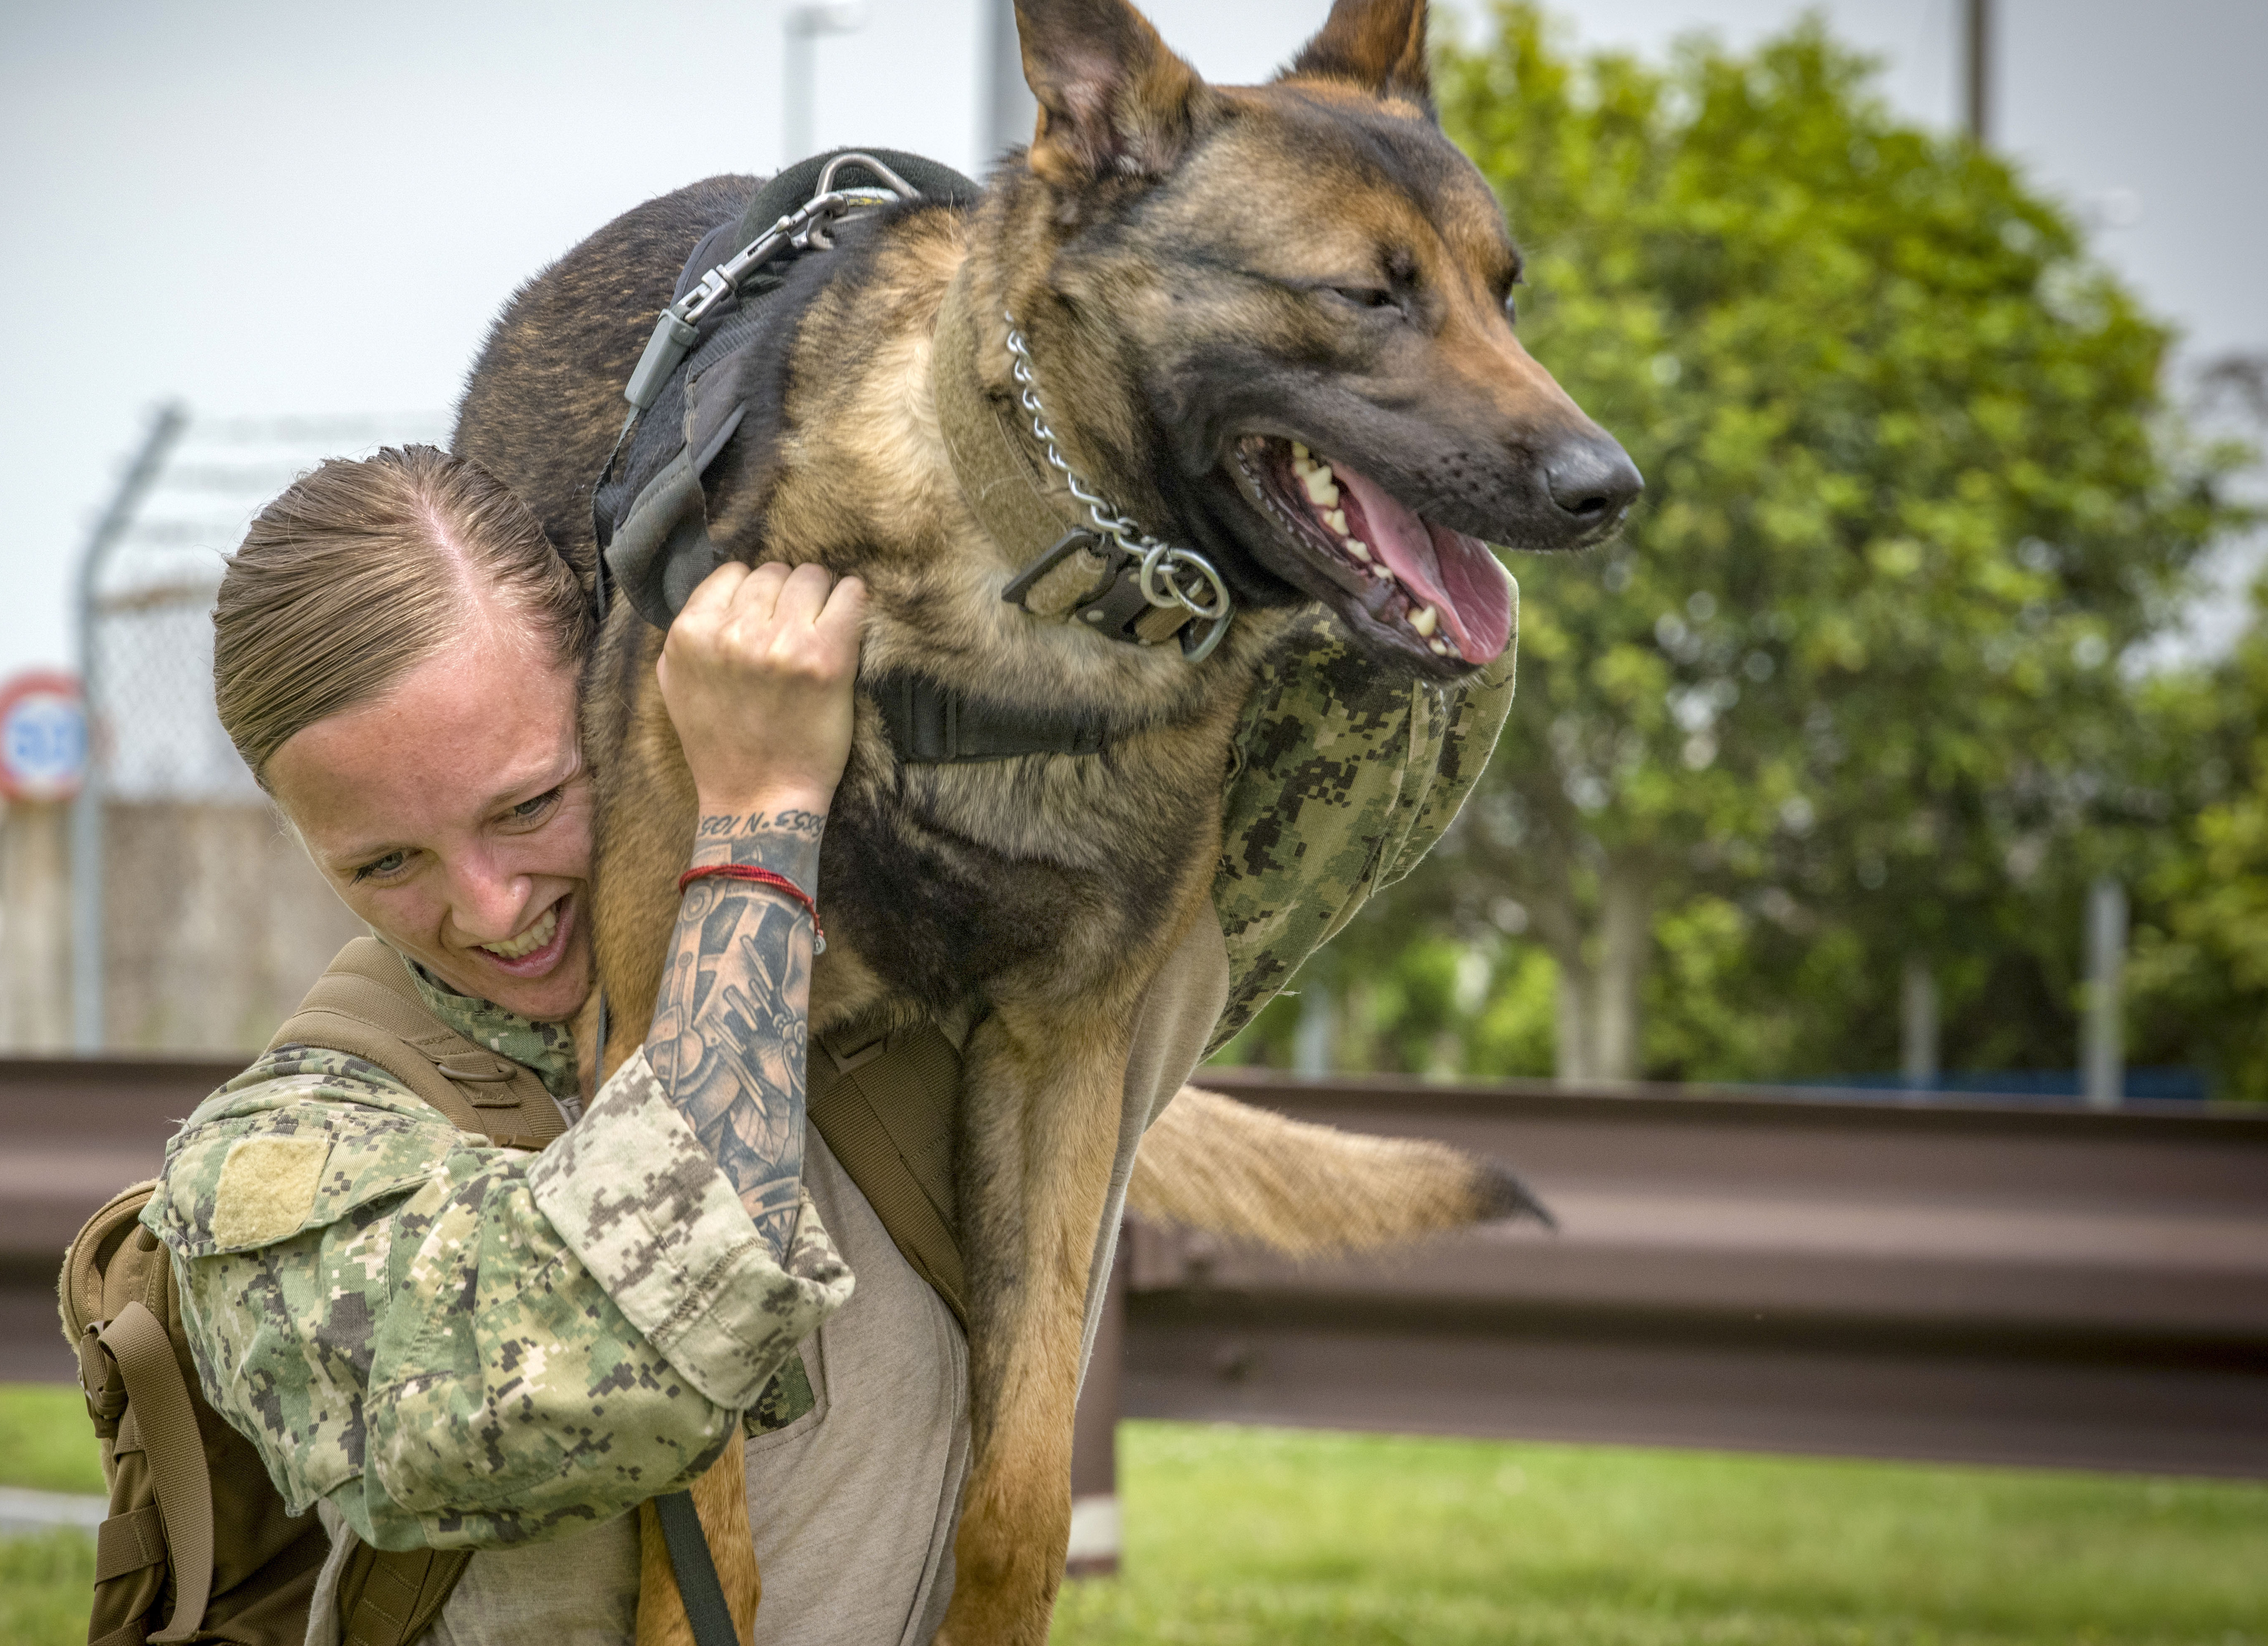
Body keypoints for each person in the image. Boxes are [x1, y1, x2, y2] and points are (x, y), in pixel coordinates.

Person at [147, 445, 1514, 1646]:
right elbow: (618, 1363)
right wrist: (752, 823)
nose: (491, 908)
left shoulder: (967, 965)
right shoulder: (290, 1153)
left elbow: (1414, 686)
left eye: (529, 805)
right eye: (385, 863)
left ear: (647, 681)